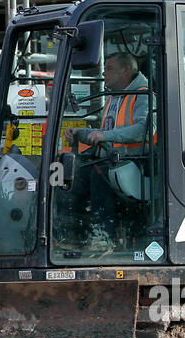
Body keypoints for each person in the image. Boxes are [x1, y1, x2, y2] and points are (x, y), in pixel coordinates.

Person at [59, 51, 152, 242]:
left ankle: (102, 235)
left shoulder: (142, 95)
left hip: (135, 162)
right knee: (71, 176)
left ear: (126, 71)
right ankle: (70, 235)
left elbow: (144, 130)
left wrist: (105, 135)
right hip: (112, 159)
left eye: (109, 69)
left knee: (98, 175)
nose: (104, 74)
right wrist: (81, 133)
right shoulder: (114, 98)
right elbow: (104, 132)